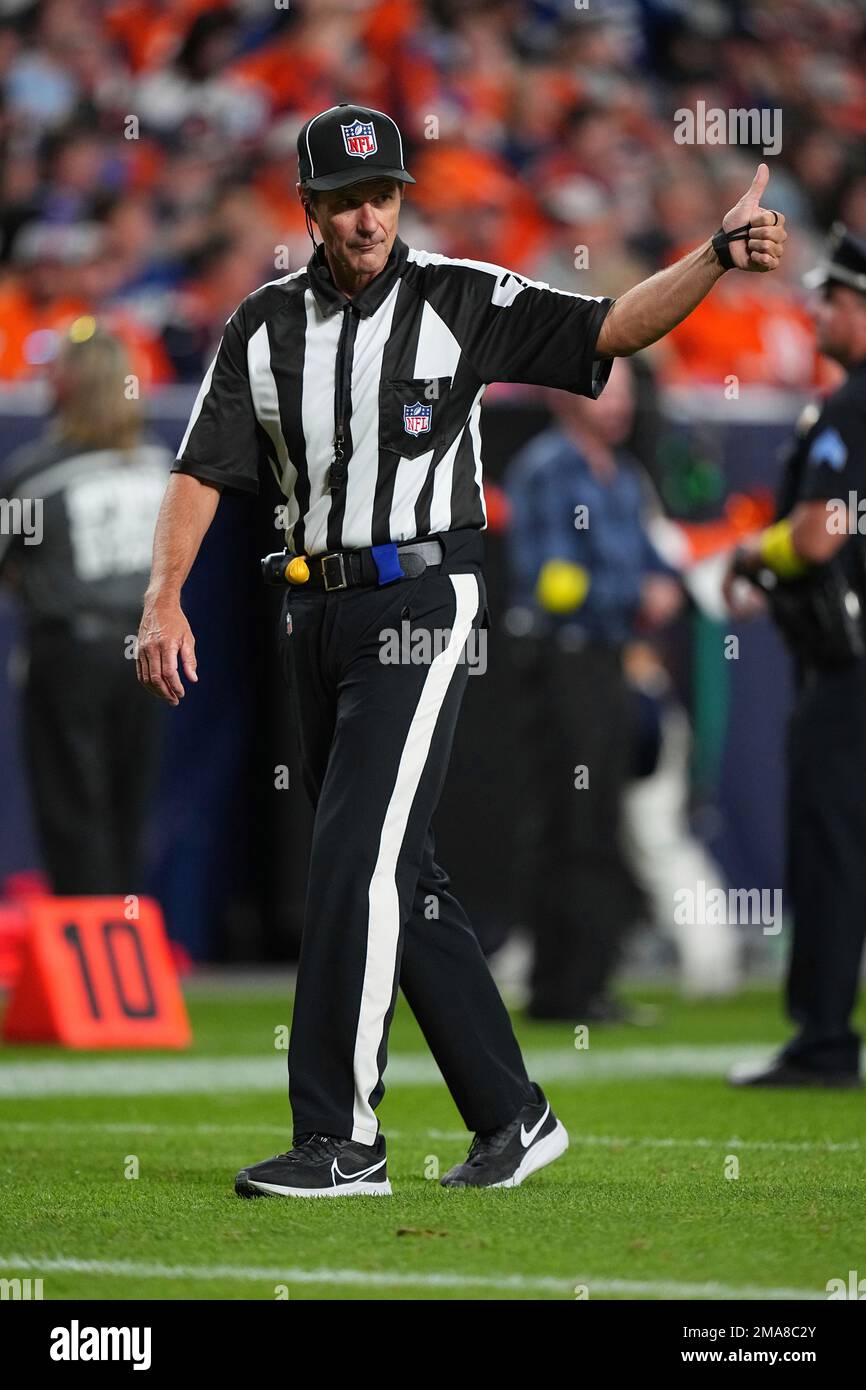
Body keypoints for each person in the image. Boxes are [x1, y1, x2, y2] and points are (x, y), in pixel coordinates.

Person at [136, 101, 787, 1197]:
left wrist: (713, 258)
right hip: (308, 609)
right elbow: (202, 468)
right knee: (404, 872)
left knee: (349, 859)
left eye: (380, 194)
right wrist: (163, 599)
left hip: (419, 600)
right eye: (343, 201)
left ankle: (341, 1138)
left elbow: (610, 329)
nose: (365, 218)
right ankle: (512, 1112)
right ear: (307, 209)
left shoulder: (459, 298)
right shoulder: (261, 325)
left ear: (400, 197)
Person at [724, 226, 866, 1089]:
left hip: (846, 672)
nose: (819, 311)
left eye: (837, 299)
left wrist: (751, 556)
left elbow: (817, 535)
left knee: (830, 850)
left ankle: (821, 1038)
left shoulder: (848, 407)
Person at [503, 359, 682, 1023]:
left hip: (611, 661)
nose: (620, 406)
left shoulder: (624, 475)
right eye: (608, 390)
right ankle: (560, 987)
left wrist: (663, 582)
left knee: (602, 819)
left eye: (629, 392)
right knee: (570, 821)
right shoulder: (549, 470)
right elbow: (551, 582)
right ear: (568, 396)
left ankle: (590, 980)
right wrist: (634, 593)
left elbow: (659, 555)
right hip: (565, 661)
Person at [0, 325, 170, 893]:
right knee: (130, 803)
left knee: (74, 807)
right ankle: (125, 942)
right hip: (148, 652)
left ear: (71, 383)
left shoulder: (35, 474)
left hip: (71, 651)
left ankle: (85, 947)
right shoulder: (160, 464)